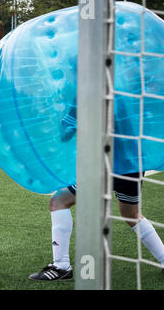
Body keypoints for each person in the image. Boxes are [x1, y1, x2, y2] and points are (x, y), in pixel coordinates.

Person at [29, 114, 164, 281]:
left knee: (59, 201)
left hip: (108, 164)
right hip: (134, 161)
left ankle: (61, 266)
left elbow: (65, 135)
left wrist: (57, 120)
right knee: (131, 214)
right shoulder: (122, 93)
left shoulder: (80, 96)